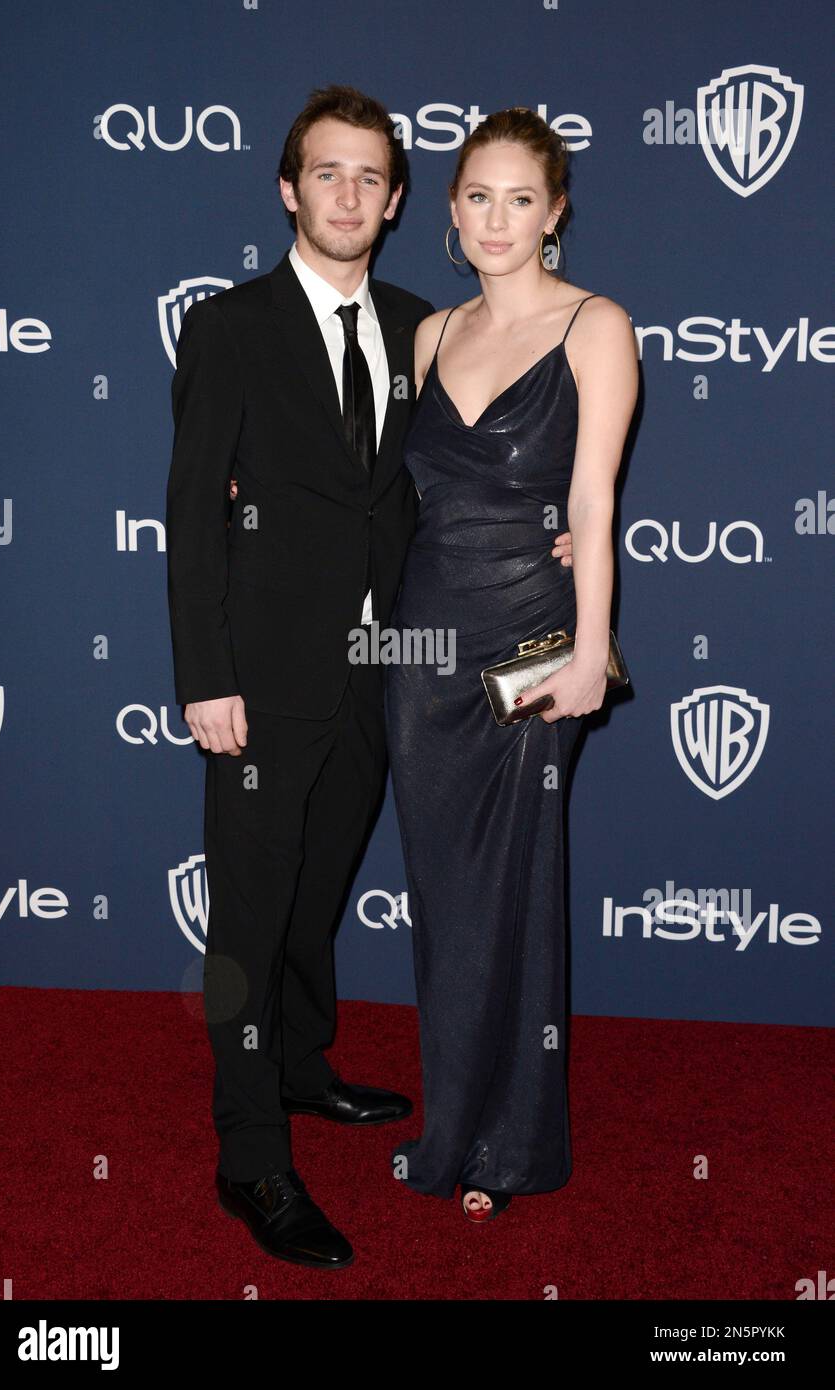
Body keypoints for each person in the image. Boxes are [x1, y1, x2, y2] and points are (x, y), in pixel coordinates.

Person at [167, 83, 578, 1268]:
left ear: (398, 202)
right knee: (248, 915)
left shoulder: (420, 325)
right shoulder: (229, 327)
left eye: (370, 178)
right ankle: (252, 1158)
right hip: (256, 676)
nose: (348, 195)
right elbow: (192, 516)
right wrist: (206, 675)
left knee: (317, 894)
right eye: (326, 174)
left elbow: (457, 476)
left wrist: (553, 533)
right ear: (289, 190)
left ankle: (301, 1069)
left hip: (384, 668)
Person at [385, 107, 638, 1221]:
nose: (497, 219)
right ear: (448, 210)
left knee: (516, 893)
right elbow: (391, 495)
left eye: (520, 199)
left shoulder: (597, 324)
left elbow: (594, 498)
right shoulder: (430, 336)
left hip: (536, 647)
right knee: (444, 901)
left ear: (557, 211)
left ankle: (511, 1141)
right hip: (425, 645)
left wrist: (591, 651)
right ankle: (450, 1125)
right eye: (476, 197)